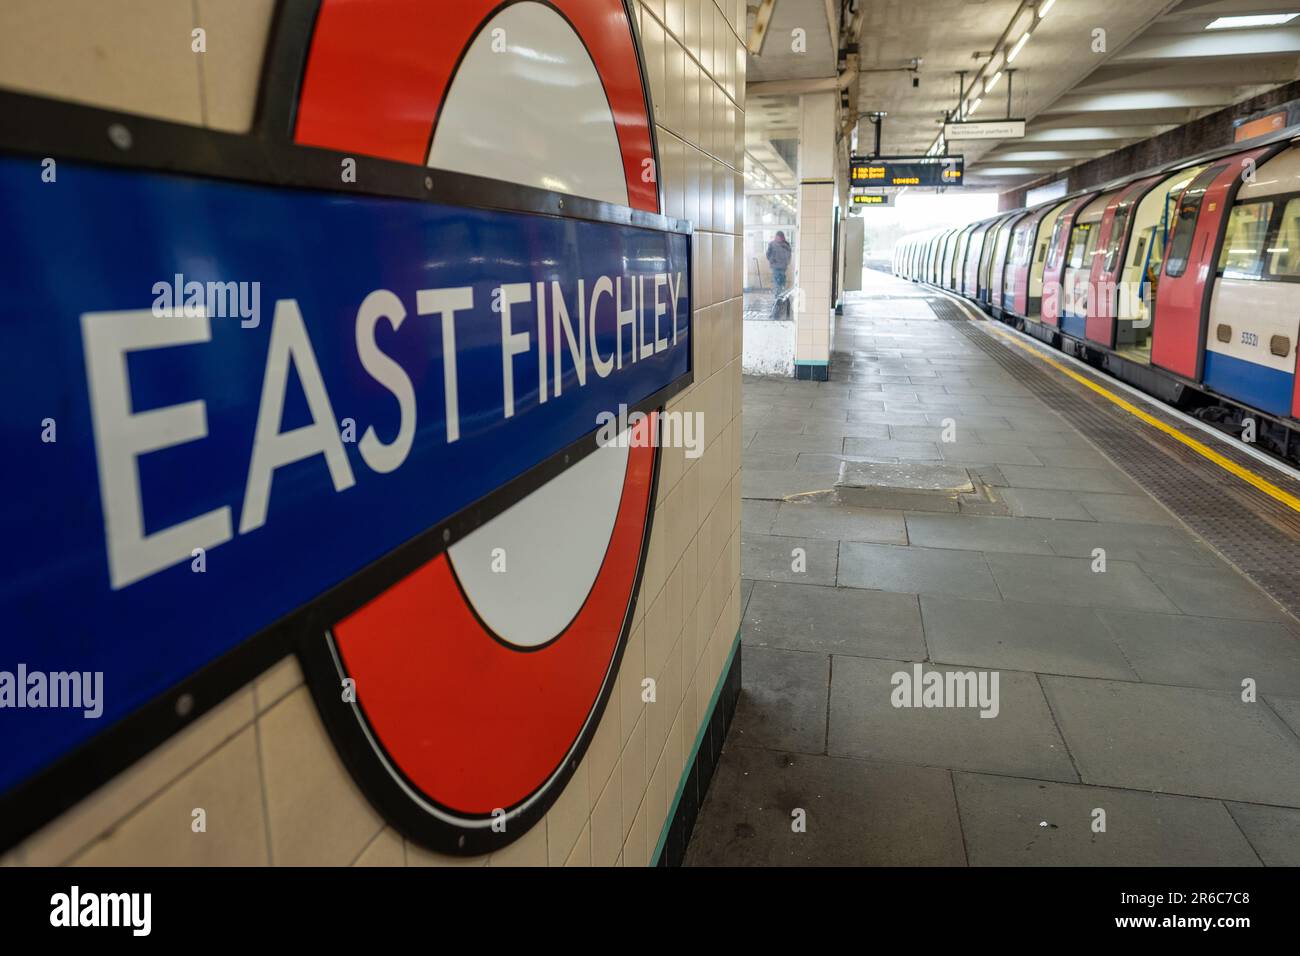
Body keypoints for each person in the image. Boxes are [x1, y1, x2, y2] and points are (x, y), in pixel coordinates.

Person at [766, 231, 792, 297]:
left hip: (783, 267)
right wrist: (772, 260)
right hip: (775, 267)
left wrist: (787, 262)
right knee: (777, 283)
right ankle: (778, 296)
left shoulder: (786, 244)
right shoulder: (772, 244)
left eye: (779, 237)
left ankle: (780, 296)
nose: (778, 238)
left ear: (782, 237)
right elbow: (768, 254)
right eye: (777, 237)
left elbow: (789, 255)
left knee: (782, 282)